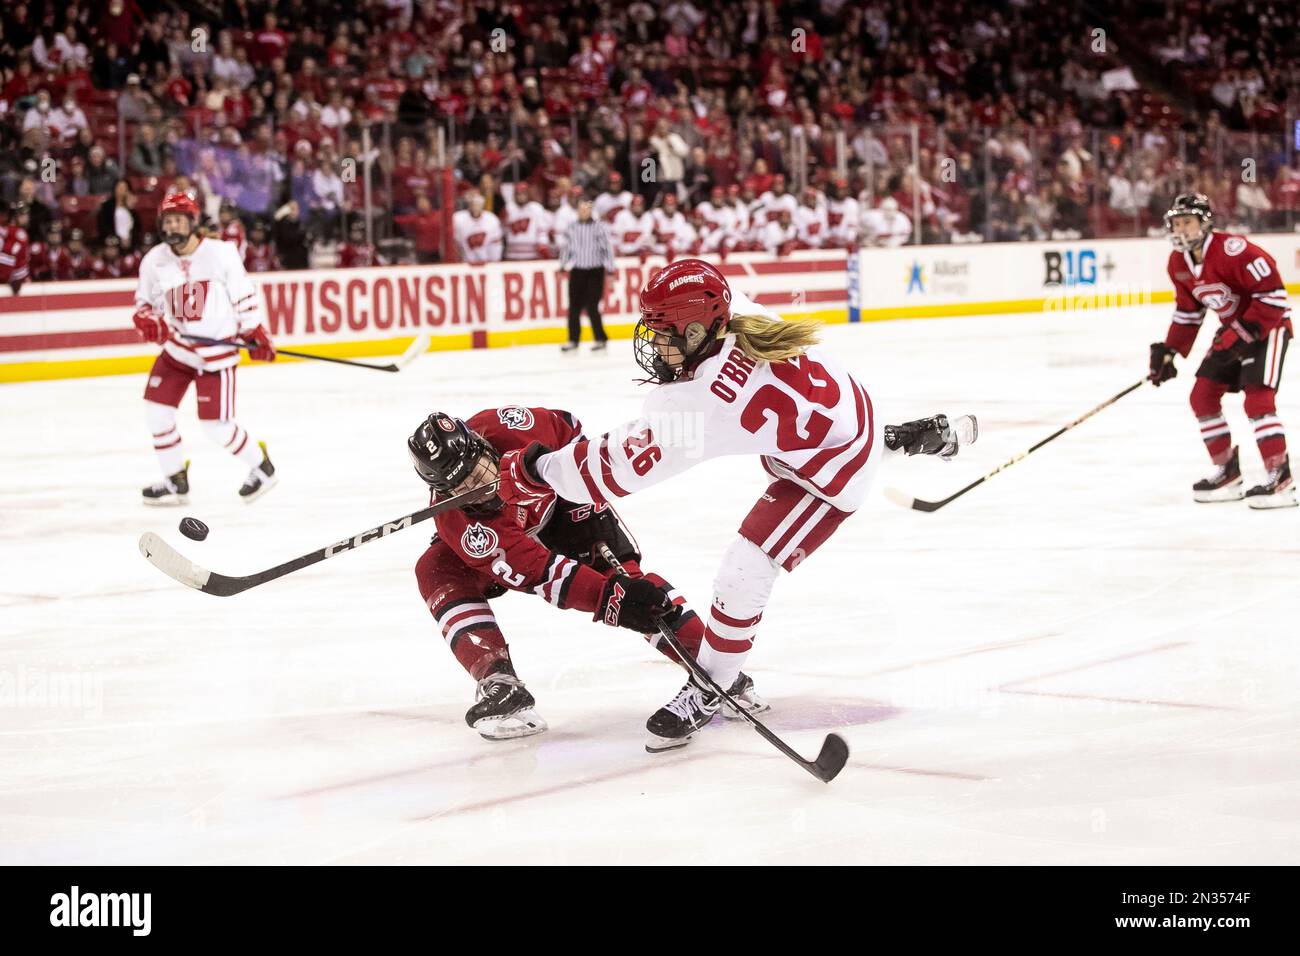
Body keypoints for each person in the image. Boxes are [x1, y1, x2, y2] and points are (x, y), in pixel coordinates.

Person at [495, 259, 977, 750]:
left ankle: (714, 685)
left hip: (832, 468)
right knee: (795, 435)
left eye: (665, 332)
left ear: (702, 327)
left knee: (746, 566)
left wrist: (536, 470)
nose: (653, 343)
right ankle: (905, 439)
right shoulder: (736, 312)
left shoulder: (703, 403)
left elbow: (613, 470)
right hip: (847, 410)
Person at [408, 408, 766, 739]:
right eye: (463, 488)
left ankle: (721, 675)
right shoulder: (464, 527)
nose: (479, 488)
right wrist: (611, 600)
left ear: (484, 445)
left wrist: (563, 474)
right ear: (443, 491)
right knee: (435, 568)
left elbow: (571, 428)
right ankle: (500, 681)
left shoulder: (513, 426)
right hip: (516, 542)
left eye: (479, 472)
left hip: (566, 505)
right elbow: (544, 574)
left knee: (634, 584)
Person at [132, 192, 279, 505]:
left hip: (216, 355)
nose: (172, 226)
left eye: (178, 220)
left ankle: (262, 466)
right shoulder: (154, 260)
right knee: (156, 414)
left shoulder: (219, 253)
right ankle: (175, 481)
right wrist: (147, 319)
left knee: (216, 427)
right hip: (178, 350)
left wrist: (252, 329)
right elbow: (145, 303)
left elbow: (243, 295)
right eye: (167, 220)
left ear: (192, 222)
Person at [1147, 193, 1294, 507]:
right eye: (1176, 223)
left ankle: (1280, 477)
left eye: (1187, 222)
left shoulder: (1233, 250)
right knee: (1201, 396)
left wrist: (1241, 332)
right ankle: (1227, 471)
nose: (1181, 229)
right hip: (1232, 333)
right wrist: (1170, 350)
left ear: (1204, 222)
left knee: (1257, 398)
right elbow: (1189, 312)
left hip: (1268, 327)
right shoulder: (1178, 263)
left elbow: (1274, 297)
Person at [558, 198, 614, 353]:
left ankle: (600, 338)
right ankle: (573, 340)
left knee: (592, 306)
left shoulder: (599, 227)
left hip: (595, 271)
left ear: (590, 211)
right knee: (574, 307)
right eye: (581, 209)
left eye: (586, 209)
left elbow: (607, 249)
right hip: (577, 270)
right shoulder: (572, 227)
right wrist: (562, 266)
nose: (583, 212)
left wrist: (610, 270)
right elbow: (566, 249)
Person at [0, 203, 31, 295]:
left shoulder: (16, 232)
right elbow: (7, 258)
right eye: (22, 215)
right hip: (15, 279)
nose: (26, 218)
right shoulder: (16, 233)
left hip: (16, 279)